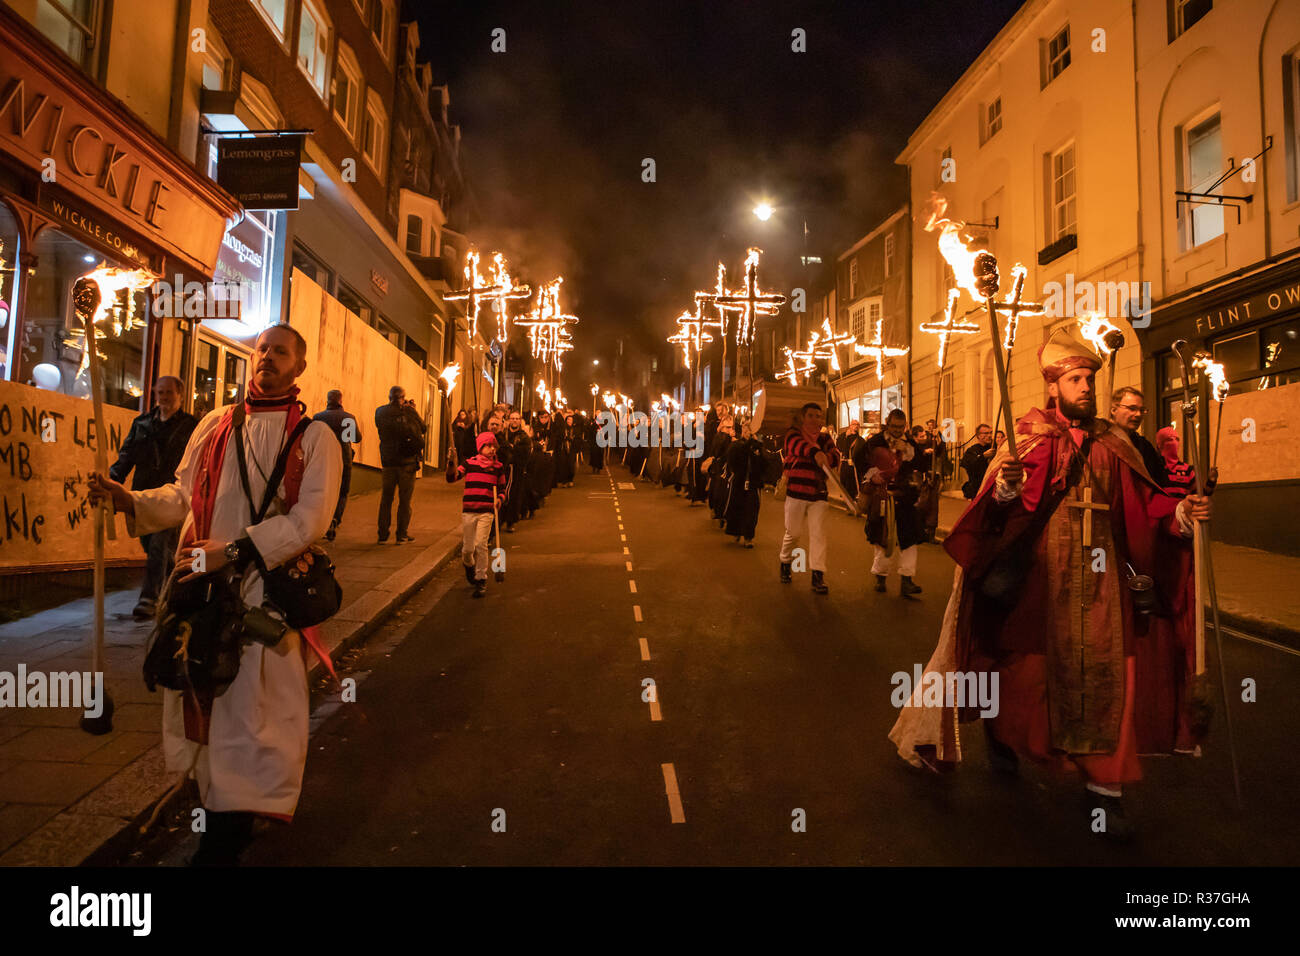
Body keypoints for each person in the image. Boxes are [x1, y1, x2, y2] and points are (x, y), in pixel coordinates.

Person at [888, 327, 1211, 837]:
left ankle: (1106, 792)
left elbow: (1144, 512)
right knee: (1027, 677)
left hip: (1105, 592)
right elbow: (996, 517)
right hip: (1042, 585)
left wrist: (1182, 513)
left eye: (1089, 379)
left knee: (1111, 682)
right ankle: (1002, 734)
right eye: (1076, 379)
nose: (1086, 387)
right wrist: (1004, 489)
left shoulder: (1114, 445)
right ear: (1054, 386)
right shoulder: (1032, 440)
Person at [88, 323, 342, 864]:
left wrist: (228, 553)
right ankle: (228, 819)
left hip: (261, 602)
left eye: (280, 352)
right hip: (200, 600)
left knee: (252, 721)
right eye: (261, 350)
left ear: (299, 366)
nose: (266, 358)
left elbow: (308, 522)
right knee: (205, 712)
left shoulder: (316, 439)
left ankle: (225, 835)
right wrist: (128, 500)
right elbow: (181, 494)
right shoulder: (214, 424)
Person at [109, 375, 199, 620]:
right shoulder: (142, 424)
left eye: (169, 392)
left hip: (172, 497)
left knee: (160, 545)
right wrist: (112, 479)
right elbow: (126, 456)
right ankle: (173, 591)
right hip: (143, 496)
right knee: (153, 548)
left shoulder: (192, 426)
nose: (164, 398)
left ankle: (148, 599)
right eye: (160, 393)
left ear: (180, 394)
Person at [778, 402, 841, 594]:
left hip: (818, 493)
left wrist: (826, 458)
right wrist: (816, 453)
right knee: (793, 533)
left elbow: (836, 456)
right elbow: (797, 447)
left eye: (818, 416)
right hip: (796, 492)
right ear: (803, 418)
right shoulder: (793, 434)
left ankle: (818, 575)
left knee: (818, 534)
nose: (816, 419)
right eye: (811, 416)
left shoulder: (825, 438)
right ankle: (786, 561)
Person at [864, 409, 925, 597]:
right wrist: (872, 477)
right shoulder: (875, 443)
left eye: (901, 427)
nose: (897, 430)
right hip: (882, 496)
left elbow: (921, 465)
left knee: (910, 538)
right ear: (887, 423)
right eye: (893, 426)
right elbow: (863, 463)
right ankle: (880, 576)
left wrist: (911, 453)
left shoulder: (910, 444)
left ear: (905, 425)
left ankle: (907, 579)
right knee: (883, 539)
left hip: (905, 497)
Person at [447, 430, 507, 598]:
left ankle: (481, 579)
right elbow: (452, 478)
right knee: (467, 549)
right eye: (488, 446)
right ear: (480, 447)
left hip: (486, 511)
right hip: (469, 511)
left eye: (493, 446)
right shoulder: (469, 463)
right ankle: (469, 566)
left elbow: (502, 489)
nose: (492, 449)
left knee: (481, 544)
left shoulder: (498, 467)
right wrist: (451, 463)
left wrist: (499, 500)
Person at [374, 386, 424, 544]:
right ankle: (401, 535)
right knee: (404, 501)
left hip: (388, 462)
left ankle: (382, 535)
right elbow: (423, 428)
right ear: (403, 397)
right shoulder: (408, 412)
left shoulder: (380, 412)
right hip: (407, 463)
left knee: (386, 500)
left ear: (389, 397)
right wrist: (412, 410)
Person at [313, 389, 359, 542]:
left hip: (324, 460)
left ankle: (323, 521)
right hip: (344, 459)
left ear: (327, 400)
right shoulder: (348, 418)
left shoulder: (318, 418)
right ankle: (335, 519)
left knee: (324, 491)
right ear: (340, 400)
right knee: (342, 492)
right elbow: (356, 438)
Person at [1110, 386, 1168, 487]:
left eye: (1142, 410)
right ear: (1114, 410)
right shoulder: (1103, 442)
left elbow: (1160, 482)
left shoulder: (1145, 447)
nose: (1138, 414)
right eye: (1132, 408)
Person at [724, 421, 765, 547]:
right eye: (745, 431)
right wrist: (748, 445)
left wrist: (757, 449)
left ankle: (748, 537)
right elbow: (733, 460)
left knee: (752, 511)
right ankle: (736, 531)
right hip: (739, 482)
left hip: (753, 484)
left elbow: (764, 463)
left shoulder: (757, 446)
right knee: (737, 508)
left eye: (750, 431)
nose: (747, 433)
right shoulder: (736, 445)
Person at [500, 410, 532, 532]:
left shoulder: (524, 437)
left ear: (520, 421)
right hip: (504, 469)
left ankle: (511, 521)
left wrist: (514, 449)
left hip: (517, 470)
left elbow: (525, 452)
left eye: (517, 418)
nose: (514, 420)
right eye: (512, 418)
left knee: (514, 496)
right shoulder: (504, 434)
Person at [1155, 426, 1196, 497]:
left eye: (1177, 439)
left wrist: (1211, 481)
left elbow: (1199, 493)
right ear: (1160, 445)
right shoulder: (1154, 467)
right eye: (1170, 439)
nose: (1174, 442)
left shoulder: (1187, 469)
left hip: (1183, 507)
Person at [960, 423, 996, 499]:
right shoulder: (971, 450)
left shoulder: (994, 448)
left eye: (990, 433)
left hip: (992, 488)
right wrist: (983, 457)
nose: (989, 435)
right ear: (978, 435)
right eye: (986, 433)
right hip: (977, 488)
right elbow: (969, 466)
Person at [836, 420, 866, 500]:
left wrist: (856, 461)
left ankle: (852, 501)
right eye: (854, 424)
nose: (856, 426)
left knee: (853, 486)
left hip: (855, 467)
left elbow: (863, 454)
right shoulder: (844, 437)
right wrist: (845, 436)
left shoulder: (861, 441)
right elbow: (839, 447)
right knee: (844, 484)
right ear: (850, 426)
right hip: (845, 465)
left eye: (857, 425)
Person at [554, 412, 579, 486]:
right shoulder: (563, 429)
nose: (569, 421)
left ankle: (570, 479)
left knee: (571, 466)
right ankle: (564, 481)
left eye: (571, 420)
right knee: (564, 465)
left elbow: (577, 439)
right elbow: (559, 437)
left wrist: (573, 441)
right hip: (563, 448)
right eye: (568, 420)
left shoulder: (574, 429)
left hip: (572, 449)